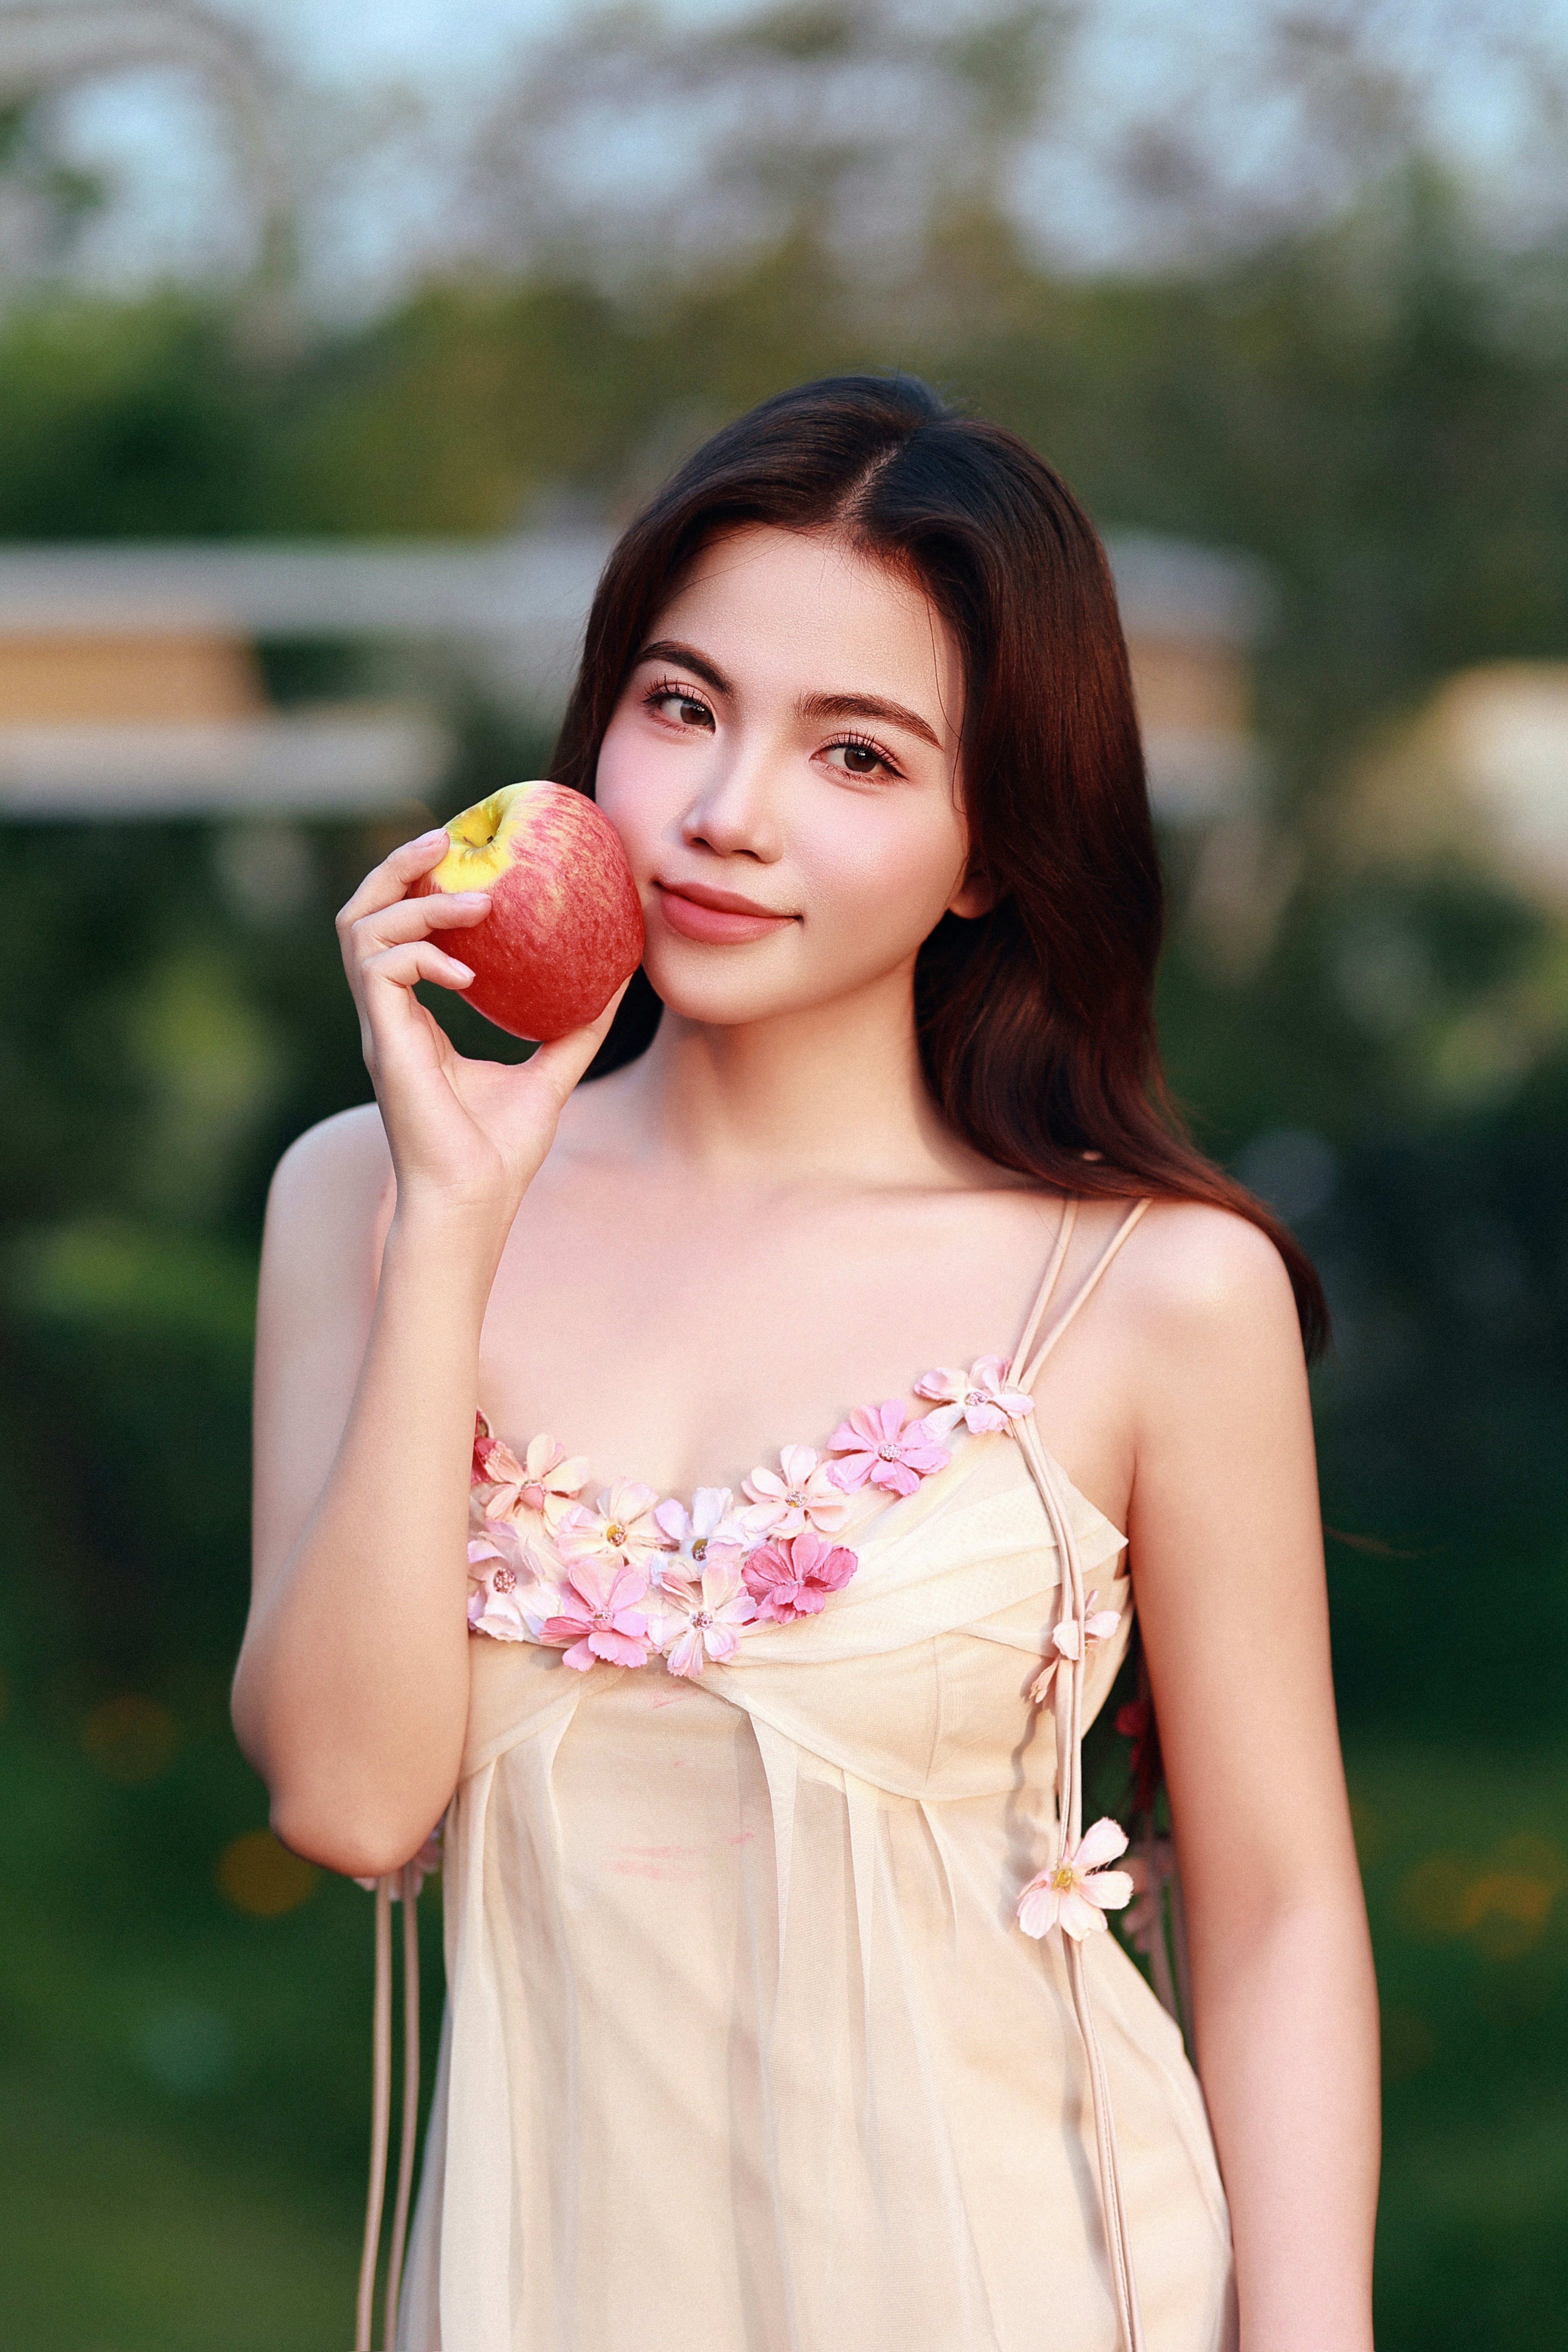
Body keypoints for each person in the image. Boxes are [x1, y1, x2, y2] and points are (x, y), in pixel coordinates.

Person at [232, 375, 1379, 2352]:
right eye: (682, 704)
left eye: (858, 755)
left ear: (988, 851)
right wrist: (456, 1230)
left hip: (1042, 2285)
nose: (725, 812)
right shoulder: (364, 1197)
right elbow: (348, 1802)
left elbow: (1276, 1909)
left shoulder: (1155, 1289)